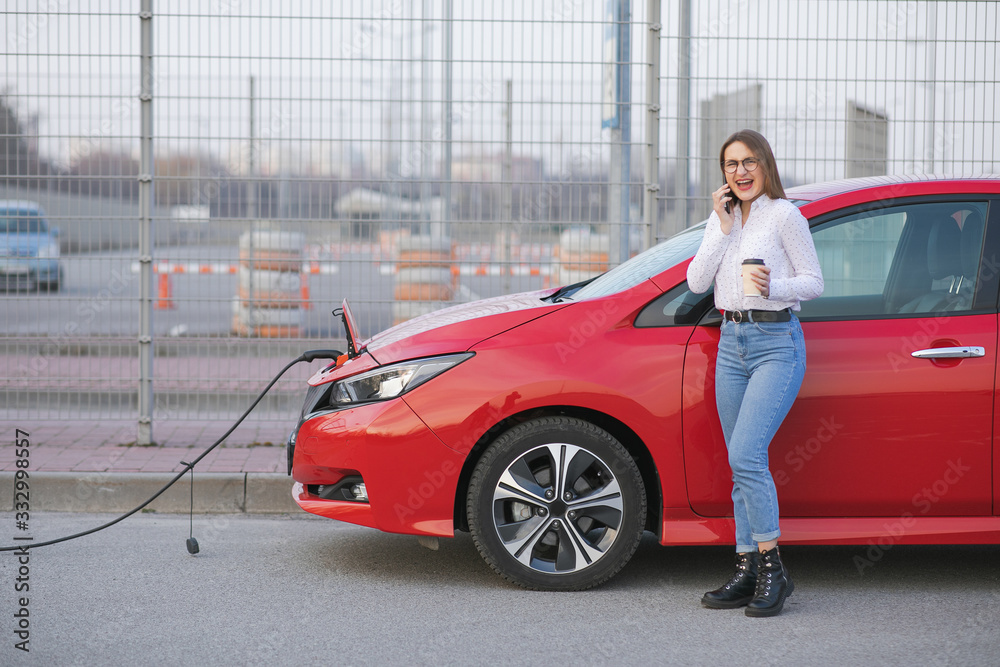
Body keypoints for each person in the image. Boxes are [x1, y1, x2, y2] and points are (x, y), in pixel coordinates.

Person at [686, 129, 823, 617]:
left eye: (748, 162)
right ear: (723, 174)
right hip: (731, 344)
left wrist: (773, 285)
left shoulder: (784, 215)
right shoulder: (722, 219)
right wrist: (721, 229)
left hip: (775, 343)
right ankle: (746, 570)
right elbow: (697, 280)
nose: (740, 172)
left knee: (746, 456)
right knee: (738, 463)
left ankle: (773, 570)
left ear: (764, 164)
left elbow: (814, 280)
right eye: (730, 165)